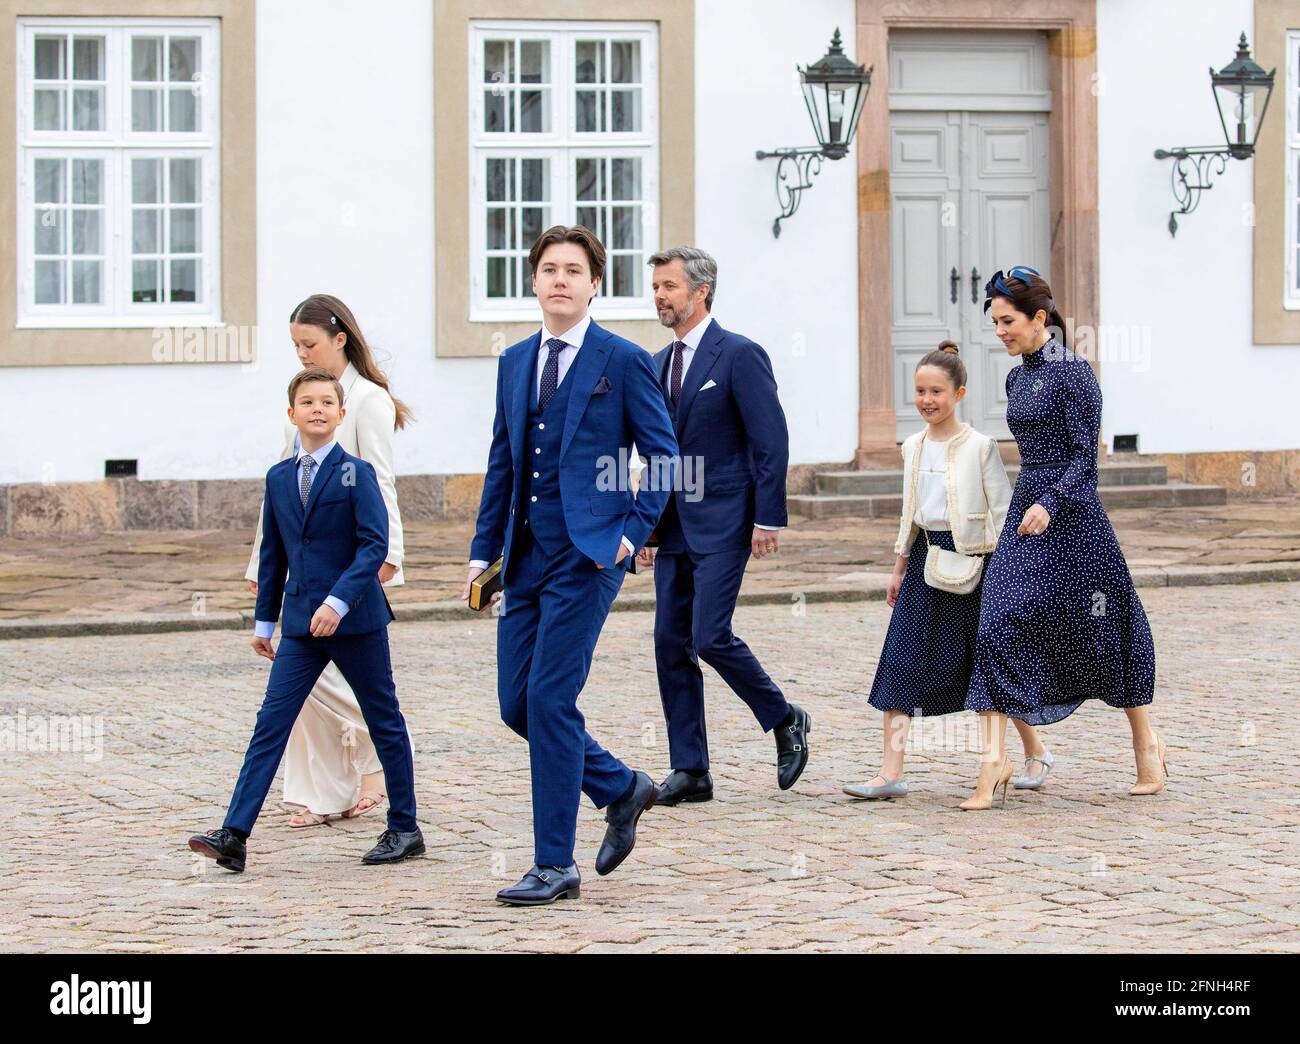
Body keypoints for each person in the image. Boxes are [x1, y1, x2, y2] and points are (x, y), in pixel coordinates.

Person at [462, 225, 680, 906]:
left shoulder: (623, 358)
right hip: (523, 555)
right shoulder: (513, 361)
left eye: (573, 270)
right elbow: (504, 460)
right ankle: (621, 786)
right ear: (534, 282)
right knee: (515, 705)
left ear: (594, 284)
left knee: (551, 700)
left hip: (589, 556)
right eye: (548, 269)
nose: (559, 279)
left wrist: (630, 534)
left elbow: (666, 457)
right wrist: (482, 551)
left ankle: (554, 864)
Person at [189, 367, 423, 871]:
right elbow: (273, 553)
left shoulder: (356, 472)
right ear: (291, 413)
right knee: (270, 724)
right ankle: (234, 834)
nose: (317, 409)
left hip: (355, 621)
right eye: (307, 402)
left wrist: (336, 603)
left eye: (326, 402)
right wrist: (263, 623)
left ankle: (405, 827)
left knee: (384, 720)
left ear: (341, 414)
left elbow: (372, 546)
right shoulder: (277, 478)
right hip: (298, 625)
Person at [962, 267, 1164, 810]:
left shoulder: (1075, 374)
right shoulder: (1016, 377)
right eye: (996, 323)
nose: (1000, 331)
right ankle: (994, 761)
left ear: (1039, 319)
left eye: (1008, 322)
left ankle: (1145, 742)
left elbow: (1085, 459)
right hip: (1026, 513)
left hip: (1073, 516)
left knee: (1105, 626)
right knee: (999, 621)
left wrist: (1050, 503)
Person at [636, 247, 809, 805]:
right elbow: (656, 453)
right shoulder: (657, 364)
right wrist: (644, 528)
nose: (660, 296)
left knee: (710, 636)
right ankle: (690, 770)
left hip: (727, 519)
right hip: (673, 525)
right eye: (657, 287)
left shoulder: (739, 355)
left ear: (700, 291)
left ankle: (783, 716)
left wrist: (767, 516)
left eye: (669, 286)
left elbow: (769, 439)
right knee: (668, 642)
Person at [842, 341, 1051, 801]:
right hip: (923, 566)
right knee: (899, 665)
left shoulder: (980, 447)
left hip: (977, 567)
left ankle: (1033, 749)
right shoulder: (912, 446)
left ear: (959, 393)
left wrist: (1010, 572)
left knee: (985, 669)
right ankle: (890, 772)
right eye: (919, 391)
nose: (927, 400)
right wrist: (898, 567)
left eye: (936, 391)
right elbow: (910, 513)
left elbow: (1002, 509)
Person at [245, 294, 410, 828]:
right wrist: (262, 582)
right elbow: (282, 501)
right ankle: (318, 794)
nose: (302, 354)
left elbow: (379, 481)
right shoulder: (302, 399)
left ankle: (383, 790)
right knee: (294, 708)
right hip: (301, 584)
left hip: (354, 575)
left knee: (363, 704)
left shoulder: (365, 401)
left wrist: (388, 559)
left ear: (340, 338)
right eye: (295, 345)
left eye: (309, 343)